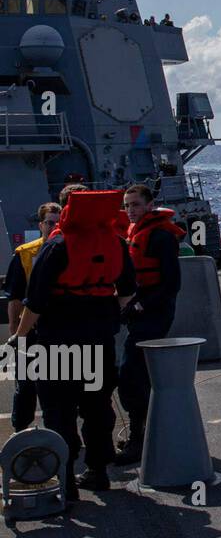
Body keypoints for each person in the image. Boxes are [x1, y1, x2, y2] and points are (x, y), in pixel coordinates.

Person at [10, 190, 135, 499]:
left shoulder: (55, 246)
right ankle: (97, 471)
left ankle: (65, 478)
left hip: (59, 344)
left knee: (59, 411)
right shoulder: (117, 243)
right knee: (97, 407)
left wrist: (20, 335)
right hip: (99, 340)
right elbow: (129, 290)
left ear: (68, 212)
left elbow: (35, 301)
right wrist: (106, 312)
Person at [115, 184, 183, 464]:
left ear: (150, 205)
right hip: (140, 312)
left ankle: (138, 440)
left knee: (132, 375)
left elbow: (171, 284)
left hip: (154, 315)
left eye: (136, 205)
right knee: (136, 375)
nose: (130, 210)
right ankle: (143, 434)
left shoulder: (161, 237)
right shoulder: (137, 233)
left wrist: (141, 305)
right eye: (127, 205)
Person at [3, 202, 60, 431]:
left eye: (58, 222)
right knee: (26, 386)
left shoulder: (71, 251)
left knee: (57, 386)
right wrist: (15, 332)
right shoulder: (25, 254)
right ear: (40, 225)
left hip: (60, 330)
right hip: (30, 331)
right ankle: (20, 432)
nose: (53, 226)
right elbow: (15, 297)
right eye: (49, 222)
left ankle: (57, 433)